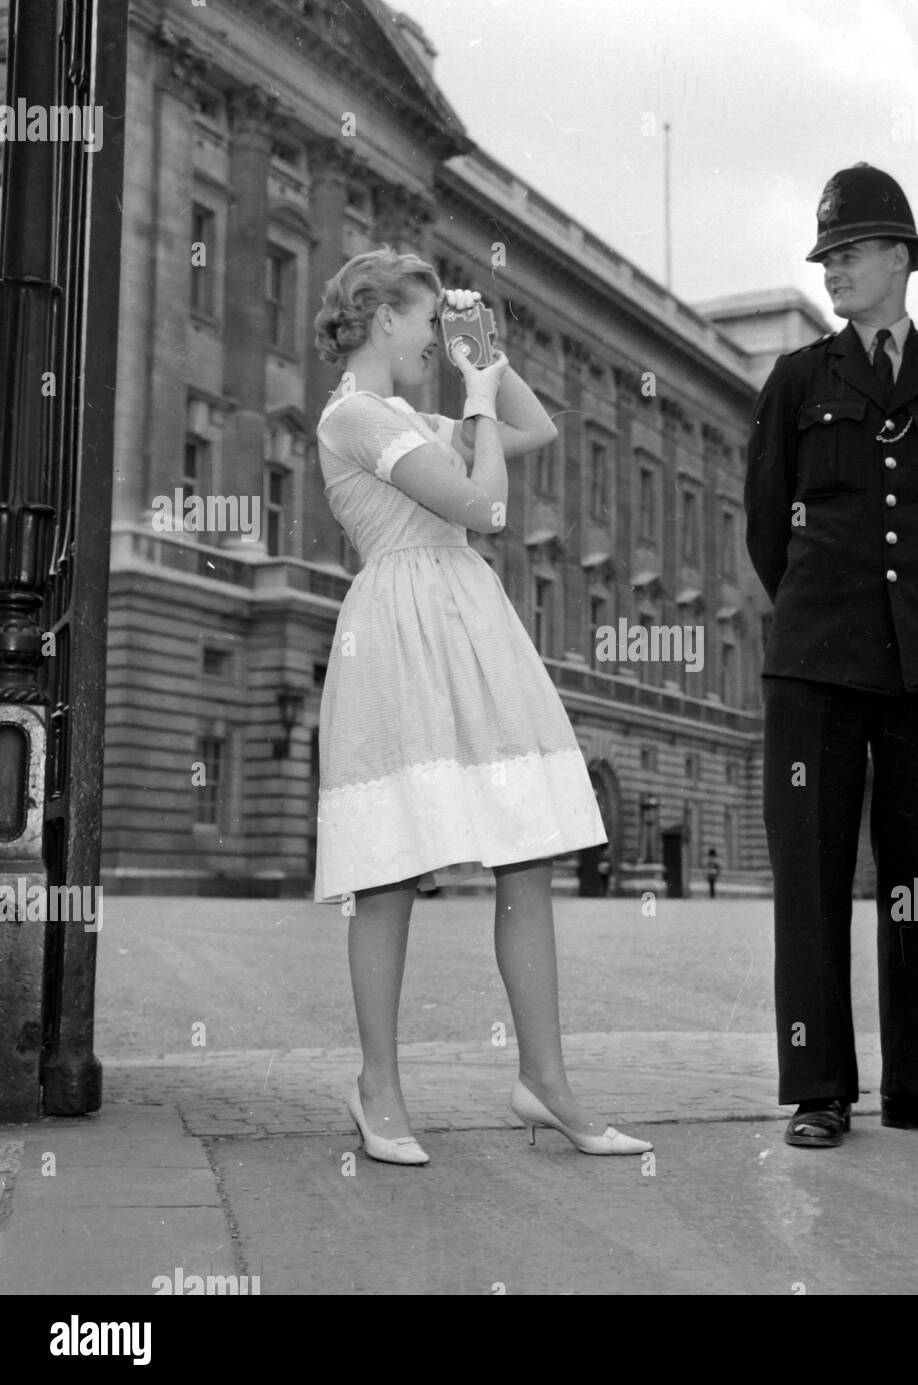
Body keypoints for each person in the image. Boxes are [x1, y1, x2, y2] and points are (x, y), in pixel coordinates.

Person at [312, 246, 651, 1163]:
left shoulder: (415, 413)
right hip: (399, 629)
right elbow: (484, 507)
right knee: (387, 868)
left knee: (528, 850)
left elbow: (533, 428)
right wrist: (470, 404)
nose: (433, 340)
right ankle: (377, 1088)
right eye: (427, 322)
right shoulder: (353, 416)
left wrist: (484, 356)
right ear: (384, 317)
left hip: (470, 623)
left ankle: (544, 1079)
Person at [744, 164, 918, 1148]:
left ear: (899, 258)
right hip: (815, 663)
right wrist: (826, 609)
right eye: (827, 256)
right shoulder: (798, 379)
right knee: (811, 877)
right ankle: (820, 1088)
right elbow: (768, 524)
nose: (835, 269)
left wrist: (913, 611)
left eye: (850, 252)